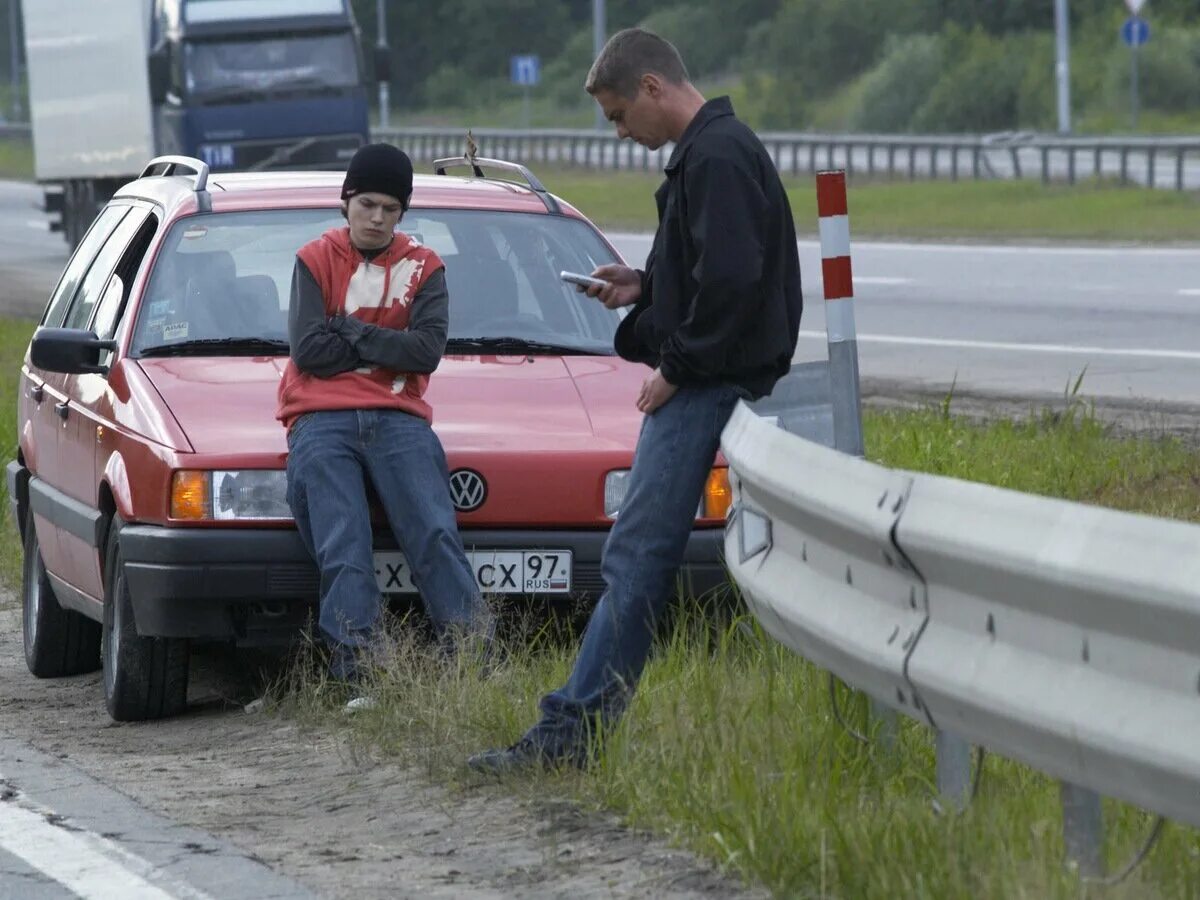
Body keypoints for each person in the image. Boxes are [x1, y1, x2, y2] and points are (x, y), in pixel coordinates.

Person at [468, 29, 803, 772]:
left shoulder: (713, 157)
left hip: (705, 385)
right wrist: (644, 287)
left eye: (620, 115)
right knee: (634, 560)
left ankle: (568, 737)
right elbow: (714, 270)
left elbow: (733, 284)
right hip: (713, 375)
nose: (621, 133)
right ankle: (572, 730)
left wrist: (675, 369)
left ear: (653, 87)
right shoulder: (716, 151)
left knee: (634, 561)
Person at [278, 143, 494, 697]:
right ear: (346, 201)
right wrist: (383, 346)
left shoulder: (425, 268)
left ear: (403, 213)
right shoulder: (313, 259)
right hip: (320, 419)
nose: (376, 218)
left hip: (399, 417)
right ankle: (359, 672)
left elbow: (425, 353)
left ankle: (472, 658)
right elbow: (308, 351)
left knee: (434, 533)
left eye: (390, 209)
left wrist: (348, 329)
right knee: (343, 543)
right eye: (367, 204)